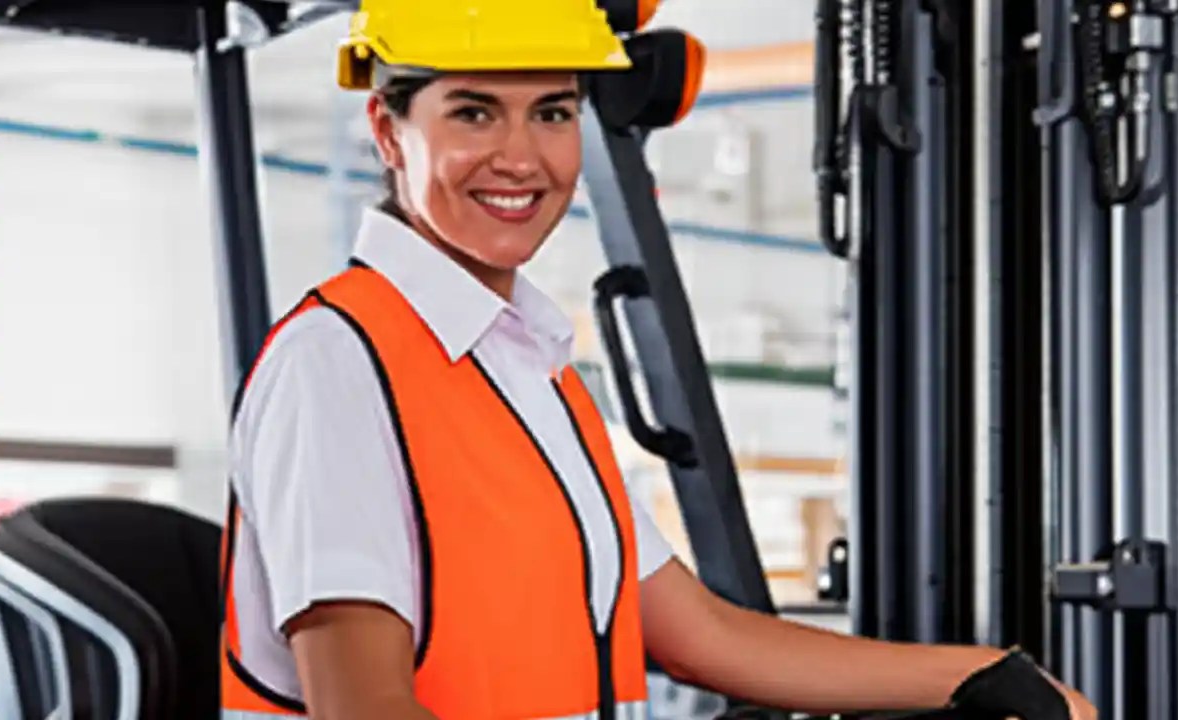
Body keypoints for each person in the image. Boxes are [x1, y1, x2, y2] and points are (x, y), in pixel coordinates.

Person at [215, 2, 1100, 718]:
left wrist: (980, 675)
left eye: (553, 112)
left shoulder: (535, 373)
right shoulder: (337, 363)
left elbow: (703, 635)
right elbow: (363, 706)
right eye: (474, 110)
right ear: (387, 129)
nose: (520, 157)